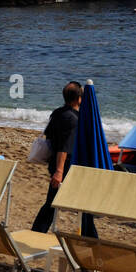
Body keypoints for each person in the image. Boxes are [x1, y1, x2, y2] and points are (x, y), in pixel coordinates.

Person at [31, 81, 96, 237]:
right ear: (79, 99)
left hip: (55, 164)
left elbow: (50, 136)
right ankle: (91, 238)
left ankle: (36, 232)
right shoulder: (74, 119)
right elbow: (64, 147)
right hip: (65, 167)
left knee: (53, 203)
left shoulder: (58, 113)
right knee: (79, 204)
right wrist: (59, 171)